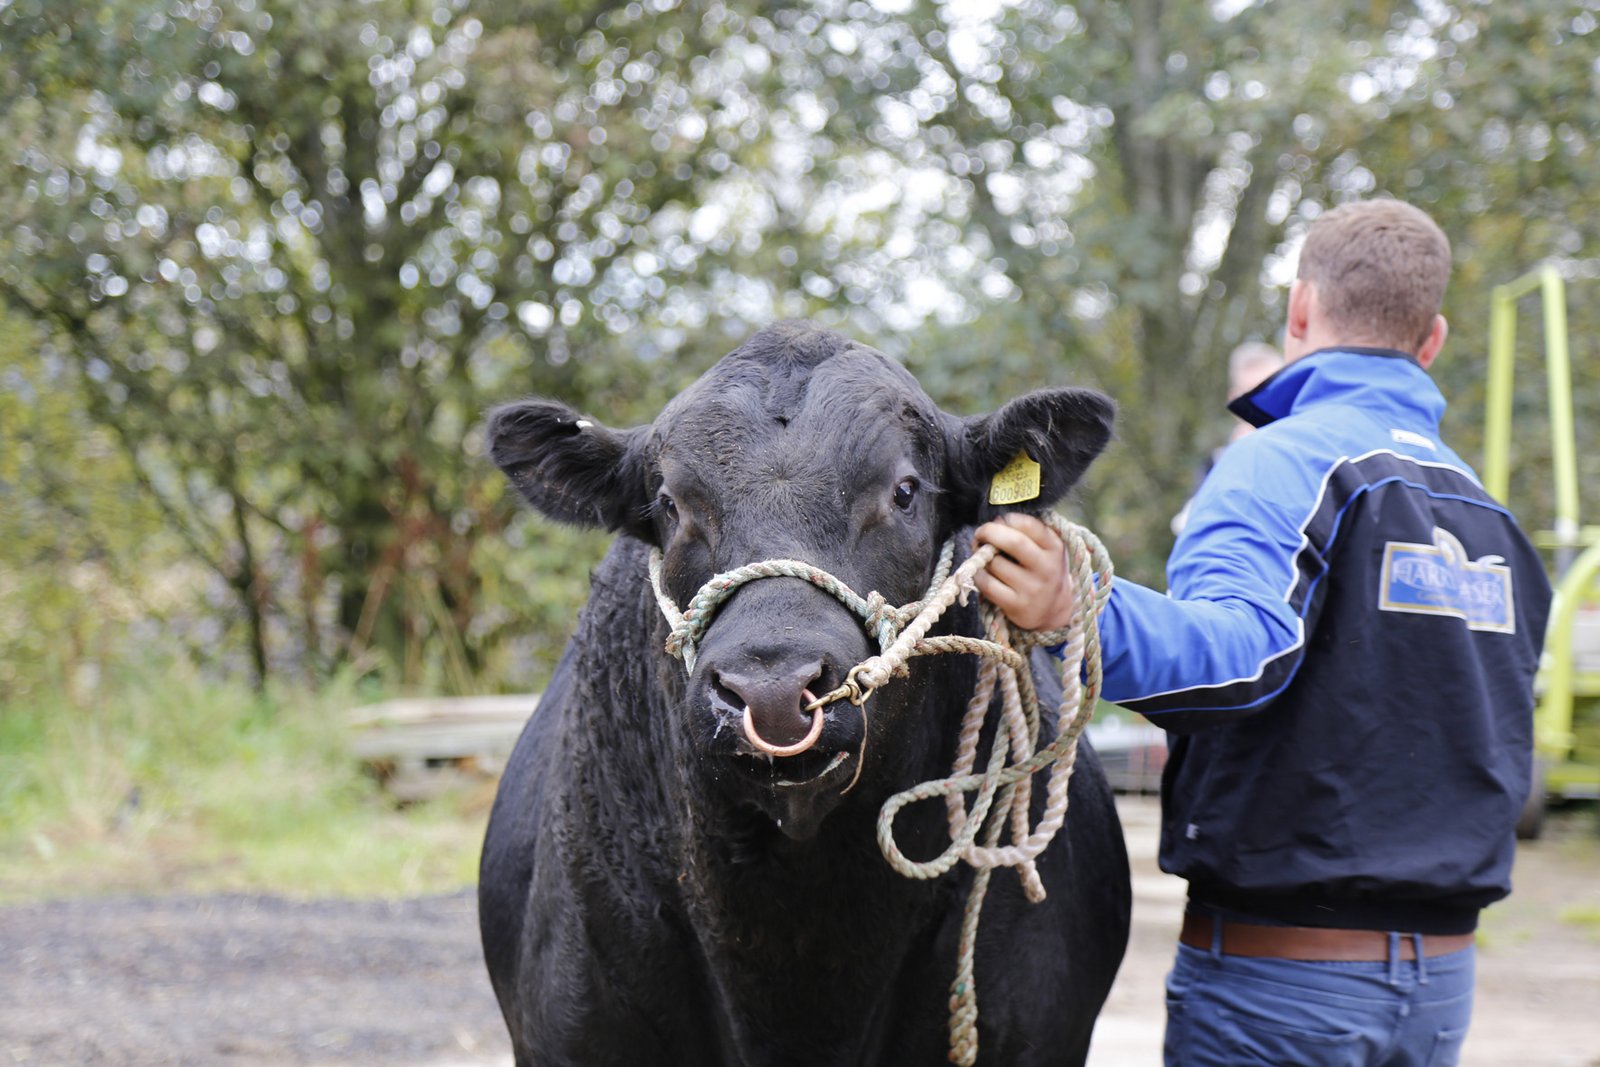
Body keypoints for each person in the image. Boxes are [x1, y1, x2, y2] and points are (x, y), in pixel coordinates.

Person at [973, 198, 1552, 1066]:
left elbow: (1244, 655)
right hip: (1438, 991)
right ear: (1431, 340)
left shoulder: (1280, 463)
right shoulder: (1491, 518)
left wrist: (1072, 607)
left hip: (1285, 987)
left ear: (1299, 309)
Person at [1170, 341, 1285, 535]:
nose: (1263, 405)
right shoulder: (1217, 461)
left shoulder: (1301, 451)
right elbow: (1186, 524)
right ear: (1234, 400)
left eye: (1272, 392)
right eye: (1251, 395)